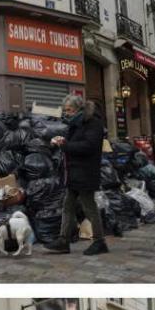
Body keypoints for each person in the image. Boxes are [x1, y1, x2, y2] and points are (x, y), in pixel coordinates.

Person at [43, 92, 108, 257]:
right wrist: (60, 142)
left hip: (86, 172)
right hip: (73, 172)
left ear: (79, 109)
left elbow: (88, 146)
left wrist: (65, 145)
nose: (67, 113)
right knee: (67, 206)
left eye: (70, 109)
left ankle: (99, 241)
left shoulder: (93, 123)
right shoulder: (75, 124)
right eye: (65, 110)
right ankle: (63, 241)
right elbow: (72, 144)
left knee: (89, 207)